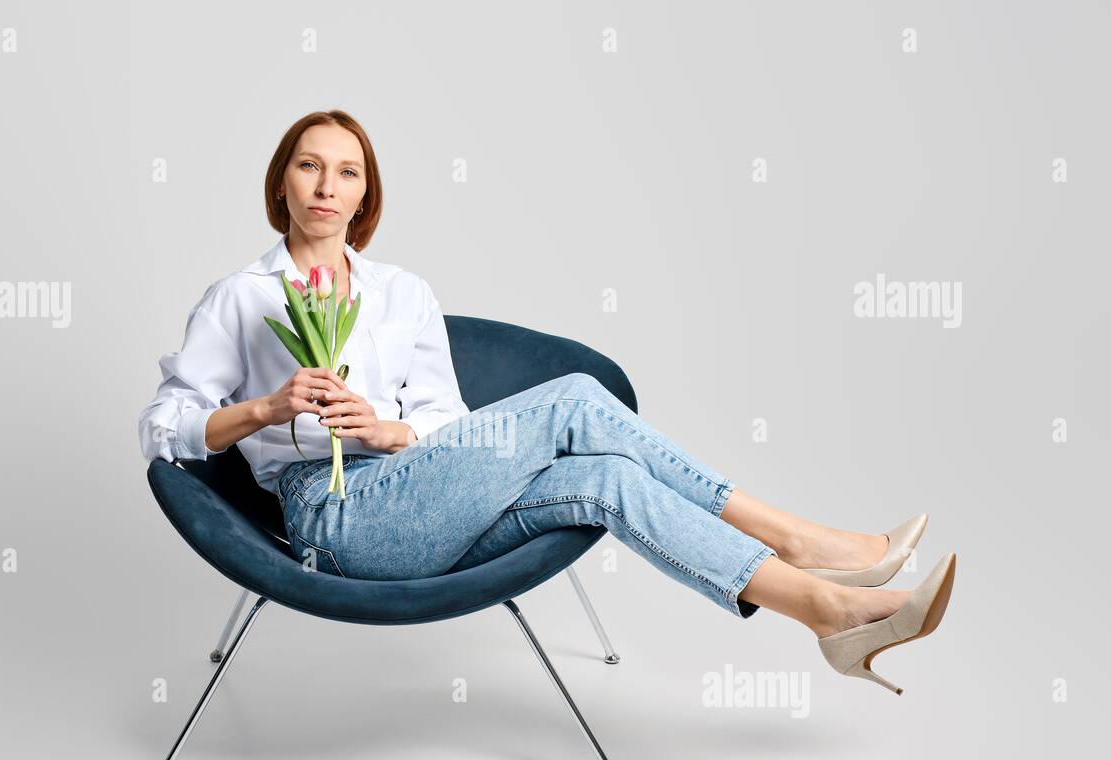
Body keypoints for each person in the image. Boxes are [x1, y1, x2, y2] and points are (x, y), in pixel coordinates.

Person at [137, 110, 957, 696]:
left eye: (347, 171)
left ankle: (827, 612)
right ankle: (801, 539)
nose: (327, 185)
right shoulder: (242, 298)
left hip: (422, 492)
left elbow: (447, 422)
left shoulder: (401, 293)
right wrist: (266, 409)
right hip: (335, 519)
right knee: (573, 402)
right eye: (309, 165)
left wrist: (387, 430)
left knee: (606, 479)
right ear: (282, 182)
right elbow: (162, 429)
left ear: (364, 196)